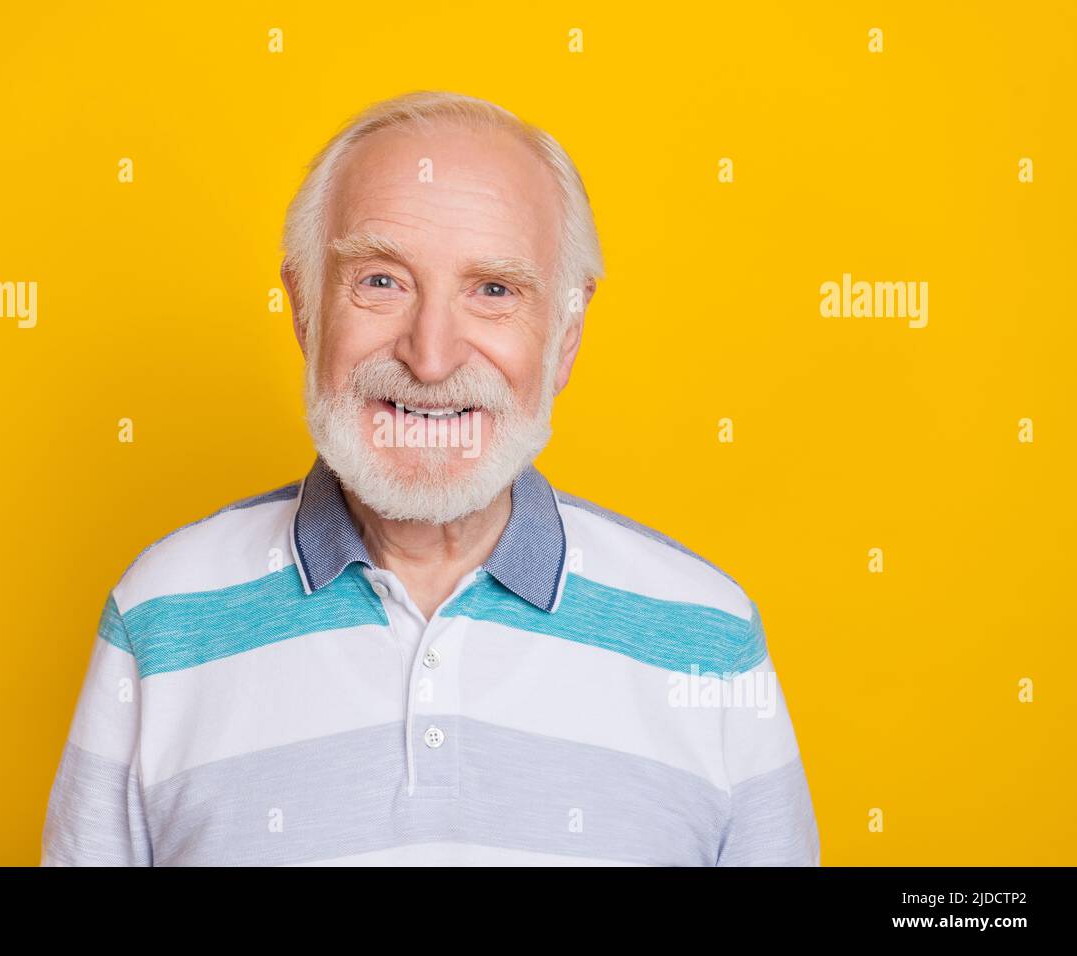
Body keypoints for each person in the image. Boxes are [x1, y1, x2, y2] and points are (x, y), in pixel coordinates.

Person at [41, 90, 820, 866]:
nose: (432, 355)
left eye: (494, 291)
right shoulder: (161, 619)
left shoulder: (709, 641)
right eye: (381, 281)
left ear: (567, 338)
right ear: (305, 310)